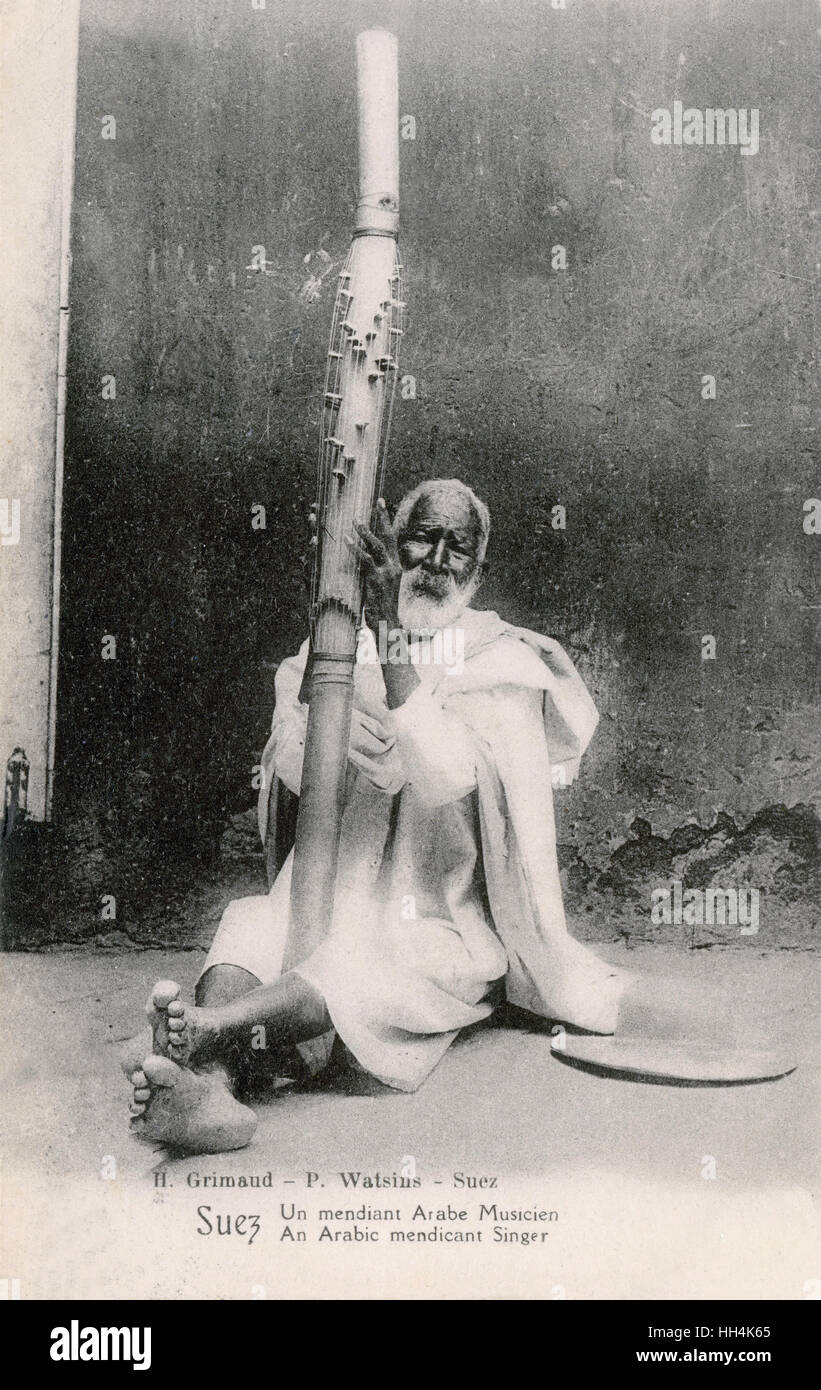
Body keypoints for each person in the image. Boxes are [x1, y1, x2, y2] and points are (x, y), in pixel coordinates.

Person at [123, 479, 642, 1153]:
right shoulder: (338, 646)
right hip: (333, 888)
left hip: (441, 918)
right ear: (393, 549)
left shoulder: (503, 665)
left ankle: (205, 1030)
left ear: (476, 573)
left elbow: (445, 774)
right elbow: (288, 770)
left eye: (456, 547)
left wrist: (391, 650)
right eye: (420, 537)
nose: (432, 559)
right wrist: (326, 723)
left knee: (364, 962)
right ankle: (209, 1092)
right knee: (254, 925)